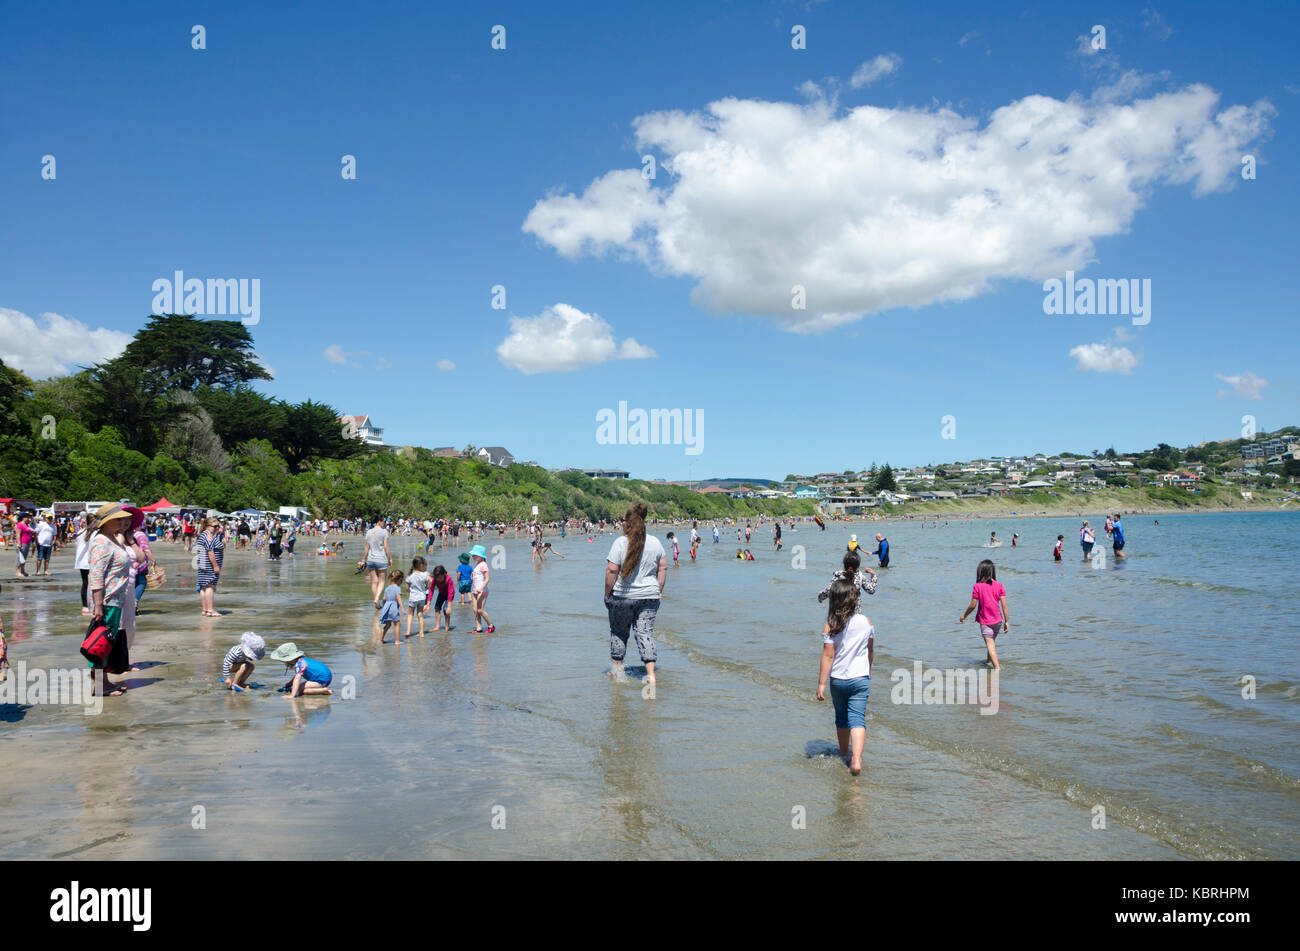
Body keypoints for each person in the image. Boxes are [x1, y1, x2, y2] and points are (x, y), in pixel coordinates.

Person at [815, 578, 874, 776]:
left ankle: (842, 752)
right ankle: (856, 759)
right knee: (857, 719)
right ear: (855, 600)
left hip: (838, 680)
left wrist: (821, 684)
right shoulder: (866, 622)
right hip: (860, 678)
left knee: (841, 718)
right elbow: (870, 651)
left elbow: (828, 655)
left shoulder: (831, 625)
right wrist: (869, 671)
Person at [603, 502, 666, 685]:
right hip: (649, 596)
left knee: (619, 632)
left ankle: (617, 670)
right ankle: (651, 675)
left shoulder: (621, 542)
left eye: (622, 520)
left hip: (623, 596)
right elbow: (663, 568)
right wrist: (659, 591)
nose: (621, 523)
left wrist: (607, 592)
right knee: (645, 633)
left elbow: (612, 570)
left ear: (628, 523)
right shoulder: (655, 542)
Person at [86, 504, 145, 696]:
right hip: (107, 599)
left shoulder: (113, 539)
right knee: (100, 643)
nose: (123, 522)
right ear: (107, 522)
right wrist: (98, 605)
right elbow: (96, 575)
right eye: (118, 519)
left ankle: (105, 682)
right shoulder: (101, 541)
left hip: (116, 598)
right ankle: (100, 685)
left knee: (107, 643)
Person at [958, 559, 1008, 670]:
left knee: (990, 644)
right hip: (998, 621)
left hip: (986, 621)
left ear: (980, 572)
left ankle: (997, 668)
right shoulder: (999, 585)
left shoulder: (978, 586)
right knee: (991, 642)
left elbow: (972, 605)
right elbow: (1004, 605)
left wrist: (964, 616)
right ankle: (988, 661)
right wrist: (1007, 621)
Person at [195, 517, 225, 617]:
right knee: (210, 586)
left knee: (204, 587)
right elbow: (210, 551)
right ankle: (210, 610)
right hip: (209, 564)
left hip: (203, 563)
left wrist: (216, 533)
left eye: (218, 526)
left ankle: (205, 610)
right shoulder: (208, 535)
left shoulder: (205, 534)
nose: (217, 528)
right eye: (215, 526)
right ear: (208, 526)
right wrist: (215, 566)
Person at [364, 517, 391, 608]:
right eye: (384, 521)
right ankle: (376, 598)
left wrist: (364, 559)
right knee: (382, 581)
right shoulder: (384, 532)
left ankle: (376, 602)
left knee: (374, 581)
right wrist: (390, 558)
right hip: (381, 559)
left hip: (370, 559)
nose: (385, 523)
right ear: (379, 521)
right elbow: (386, 546)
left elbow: (367, 547)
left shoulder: (369, 532)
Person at [469, 544, 494, 633]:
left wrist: (481, 588)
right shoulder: (477, 564)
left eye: (474, 555)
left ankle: (490, 625)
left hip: (482, 591)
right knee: (475, 610)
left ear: (480, 556)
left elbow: (487, 579)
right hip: (474, 590)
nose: (473, 556)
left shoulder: (483, 564)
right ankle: (478, 627)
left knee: (480, 610)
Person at [406, 557, 431, 638]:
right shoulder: (424, 575)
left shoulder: (410, 576)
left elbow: (407, 588)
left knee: (410, 614)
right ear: (420, 565)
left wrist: (409, 592)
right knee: (420, 614)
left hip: (413, 597)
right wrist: (425, 588)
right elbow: (428, 586)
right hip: (422, 598)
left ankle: (408, 631)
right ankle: (421, 633)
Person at [378, 569, 405, 643]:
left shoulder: (387, 588)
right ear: (399, 579)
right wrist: (403, 608)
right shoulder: (397, 588)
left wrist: (384, 607)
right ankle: (397, 641)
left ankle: (380, 639)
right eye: (401, 581)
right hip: (393, 607)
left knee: (388, 624)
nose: (401, 583)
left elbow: (383, 599)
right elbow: (398, 599)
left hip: (387, 607)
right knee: (397, 624)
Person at [430, 565, 455, 632]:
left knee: (445, 610)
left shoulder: (449, 579)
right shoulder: (435, 579)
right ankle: (437, 626)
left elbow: (450, 592)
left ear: (444, 574)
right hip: (441, 594)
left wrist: (449, 606)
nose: (439, 580)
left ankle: (447, 627)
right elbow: (431, 590)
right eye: (437, 578)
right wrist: (428, 603)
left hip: (449, 595)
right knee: (437, 608)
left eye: (440, 578)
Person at [75, 522, 92, 615]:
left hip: (82, 562)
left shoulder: (81, 532)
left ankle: (85, 606)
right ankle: (90, 605)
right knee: (93, 584)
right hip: (91, 561)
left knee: (85, 583)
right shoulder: (95, 533)